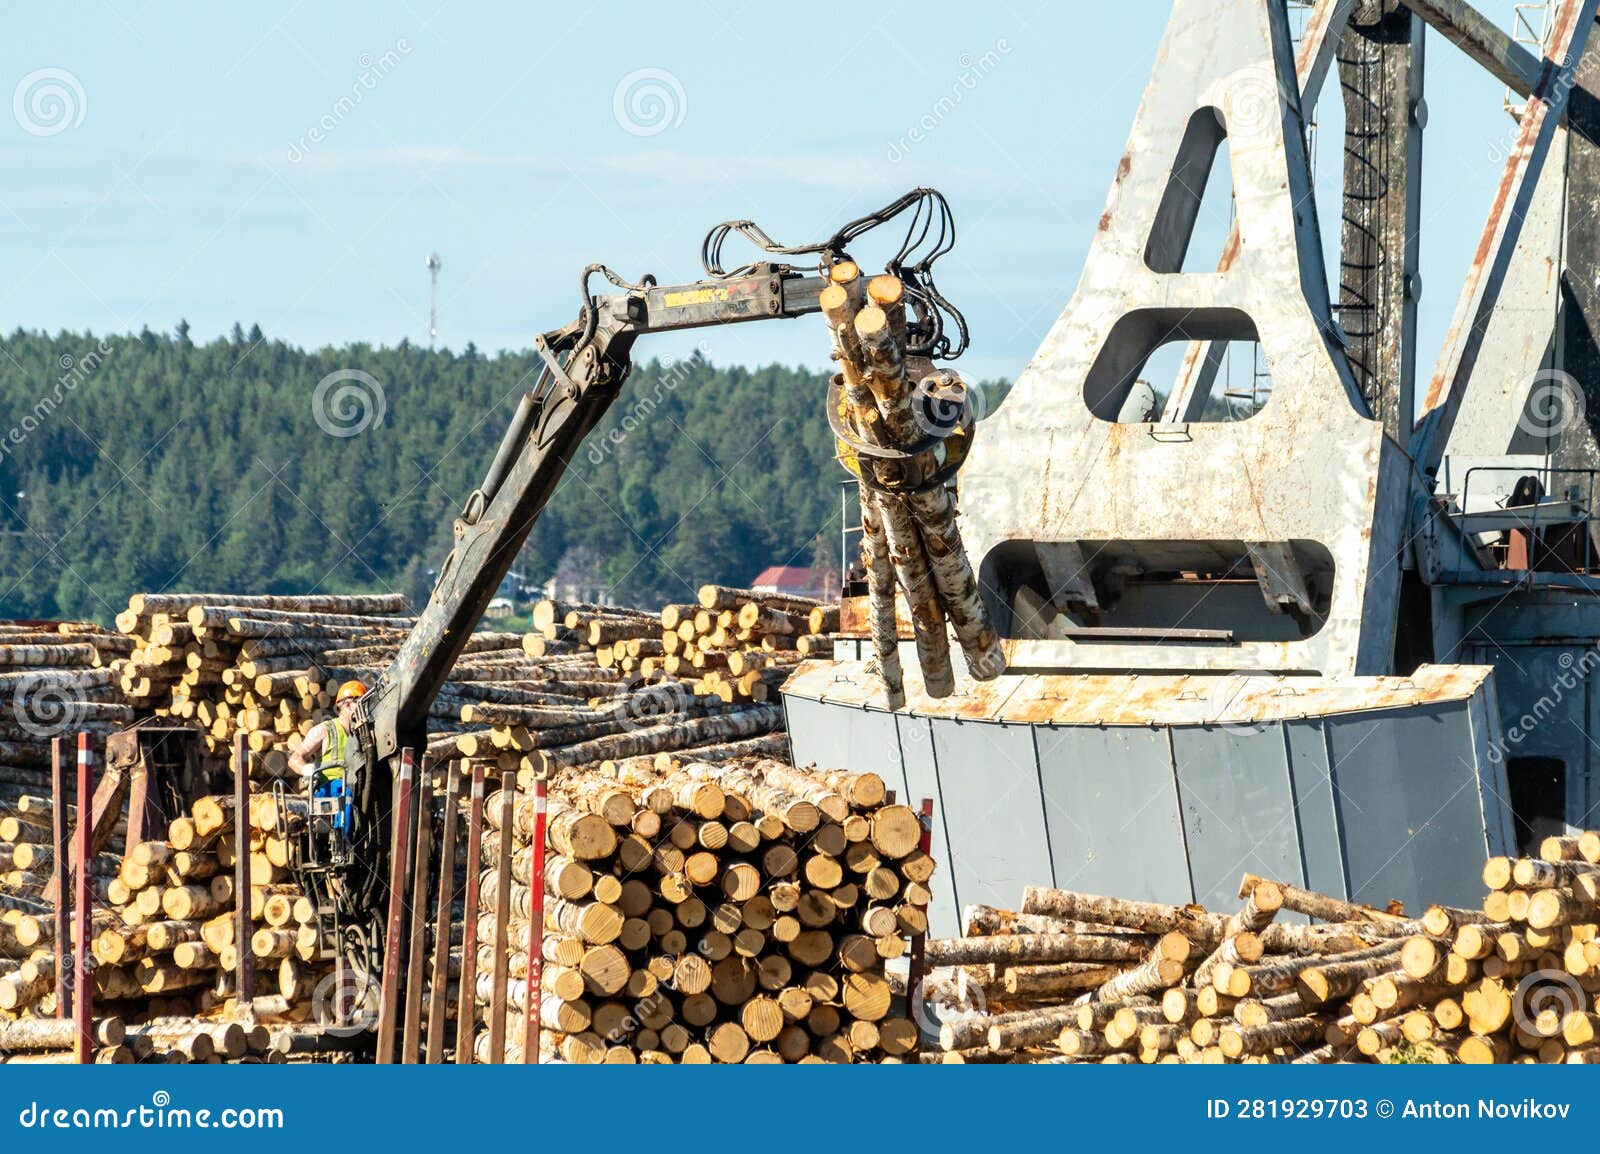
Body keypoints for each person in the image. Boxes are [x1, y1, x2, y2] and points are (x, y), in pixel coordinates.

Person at [288, 679, 368, 809]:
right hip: (331, 791)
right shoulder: (324, 730)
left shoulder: (363, 733)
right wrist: (308, 770)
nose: (365, 709)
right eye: (361, 703)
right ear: (348, 705)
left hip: (357, 788)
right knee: (345, 791)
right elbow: (294, 759)